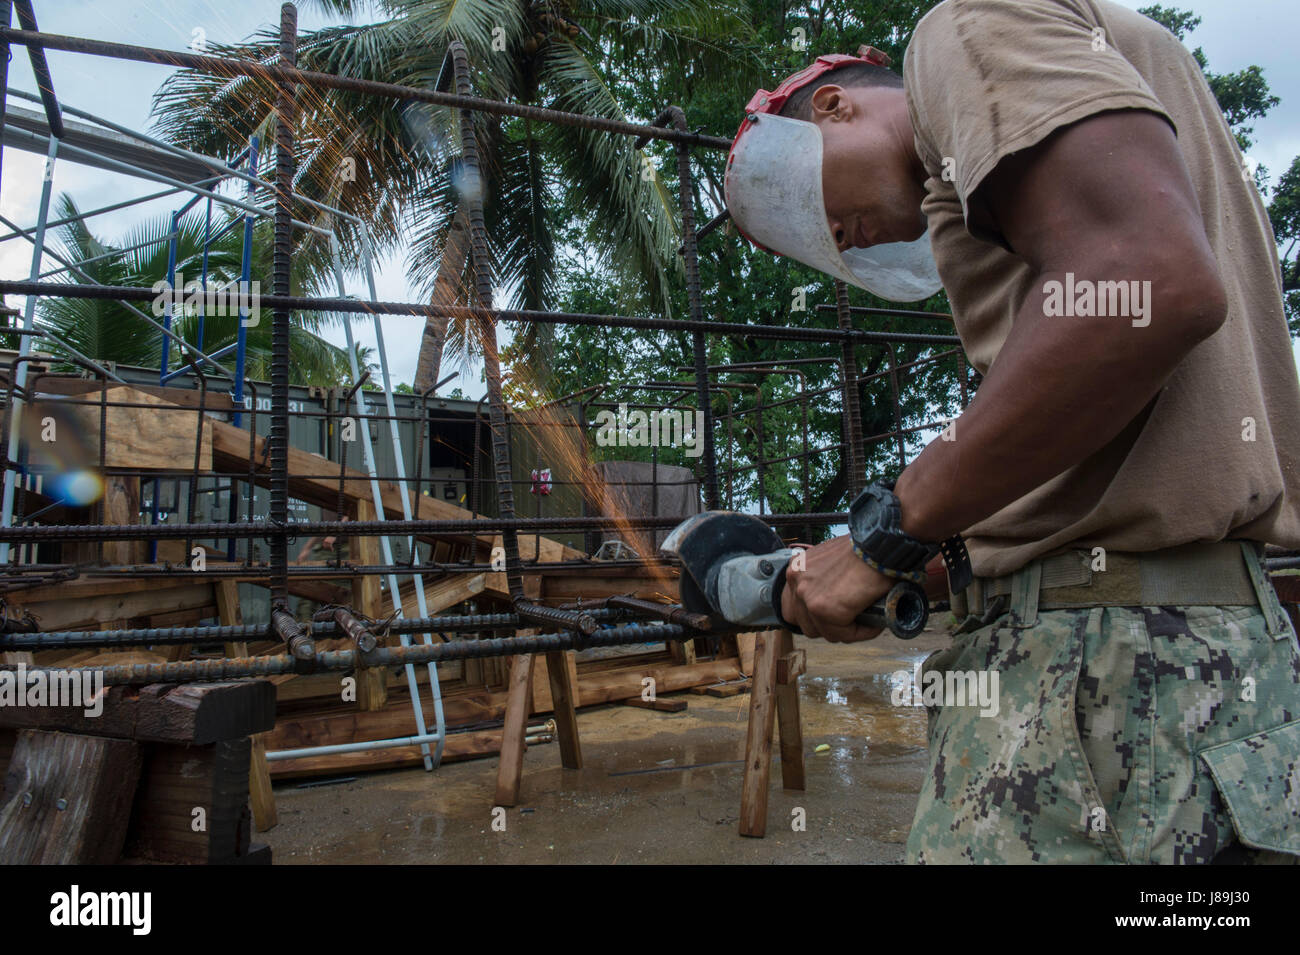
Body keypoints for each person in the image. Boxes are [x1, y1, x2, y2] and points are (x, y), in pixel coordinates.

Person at [725, 0, 1300, 863]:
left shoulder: (960, 29)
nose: (836, 242)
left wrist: (883, 537)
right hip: (1223, 668)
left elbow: (1149, 285)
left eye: (808, 208)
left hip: (1091, 680)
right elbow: (1103, 480)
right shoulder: (1116, 99)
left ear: (834, 106)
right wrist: (903, 572)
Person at [294, 514, 349, 624]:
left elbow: (350, 514)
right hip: (326, 547)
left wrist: (333, 534)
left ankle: (305, 624)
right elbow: (323, 523)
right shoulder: (325, 503)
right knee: (311, 587)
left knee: (343, 592)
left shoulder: (344, 498)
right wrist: (307, 548)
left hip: (341, 548)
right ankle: (304, 624)